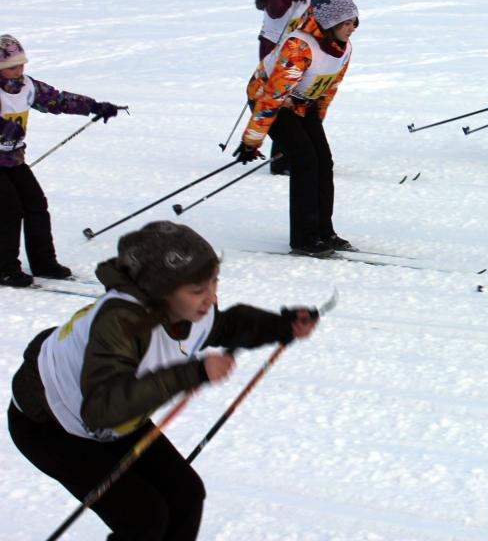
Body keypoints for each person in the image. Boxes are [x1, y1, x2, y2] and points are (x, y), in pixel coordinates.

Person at [8, 220, 319, 541]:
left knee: (186, 496)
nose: (210, 298)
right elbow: (102, 409)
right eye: (198, 290)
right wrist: (193, 373)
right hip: (51, 426)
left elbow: (224, 326)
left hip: (115, 414)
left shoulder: (188, 309)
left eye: (214, 282)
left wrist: (282, 326)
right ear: (160, 293)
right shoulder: (120, 323)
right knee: (144, 519)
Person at [234, 0, 358, 257]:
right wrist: (251, 140)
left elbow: (328, 89)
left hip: (304, 102)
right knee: (305, 160)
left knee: (323, 161)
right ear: (329, 24)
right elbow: (273, 96)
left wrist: (316, 125)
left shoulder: (343, 49)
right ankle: (304, 238)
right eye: (346, 24)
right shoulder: (299, 46)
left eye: (353, 22)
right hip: (270, 100)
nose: (351, 29)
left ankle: (325, 231)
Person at [1, 35, 122, 288]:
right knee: (9, 208)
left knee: (35, 203)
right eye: (12, 66)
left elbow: (57, 100)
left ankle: (44, 262)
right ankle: (4, 268)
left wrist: (95, 106)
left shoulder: (27, 87)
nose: (19, 71)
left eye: (22, 65)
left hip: (13, 159)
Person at [255, 0, 367, 175]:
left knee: (301, 104)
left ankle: (291, 155)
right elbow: (275, 10)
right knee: (284, 105)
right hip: (274, 53)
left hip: (301, 54)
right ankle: (280, 162)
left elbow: (329, 6)